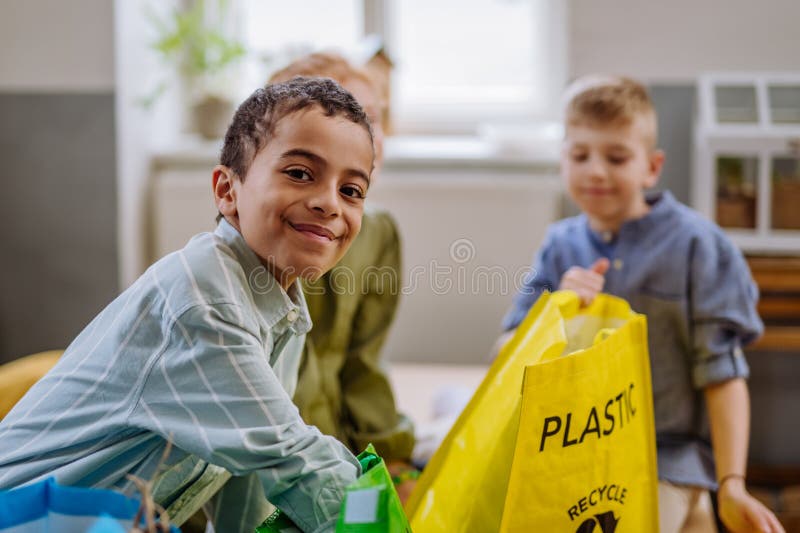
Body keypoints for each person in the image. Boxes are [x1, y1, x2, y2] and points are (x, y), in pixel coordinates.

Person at [0, 77, 376, 533]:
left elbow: (253, 474)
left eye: (352, 191)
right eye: (299, 173)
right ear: (226, 191)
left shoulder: (283, 311)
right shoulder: (205, 301)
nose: (328, 204)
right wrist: (380, 521)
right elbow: (296, 459)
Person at [501, 75, 784, 533]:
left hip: (669, 460)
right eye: (579, 155)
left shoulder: (697, 245)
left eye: (616, 157)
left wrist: (732, 483)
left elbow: (723, 374)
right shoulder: (559, 246)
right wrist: (554, 314)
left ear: (651, 168)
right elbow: (506, 356)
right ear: (562, 161)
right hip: (578, 461)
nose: (595, 170)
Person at [269, 53, 417, 500]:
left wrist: (388, 452)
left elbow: (364, 360)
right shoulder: (267, 234)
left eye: (370, 116)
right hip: (275, 452)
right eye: (340, 117)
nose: (363, 133)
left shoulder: (378, 233)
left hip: (343, 441)